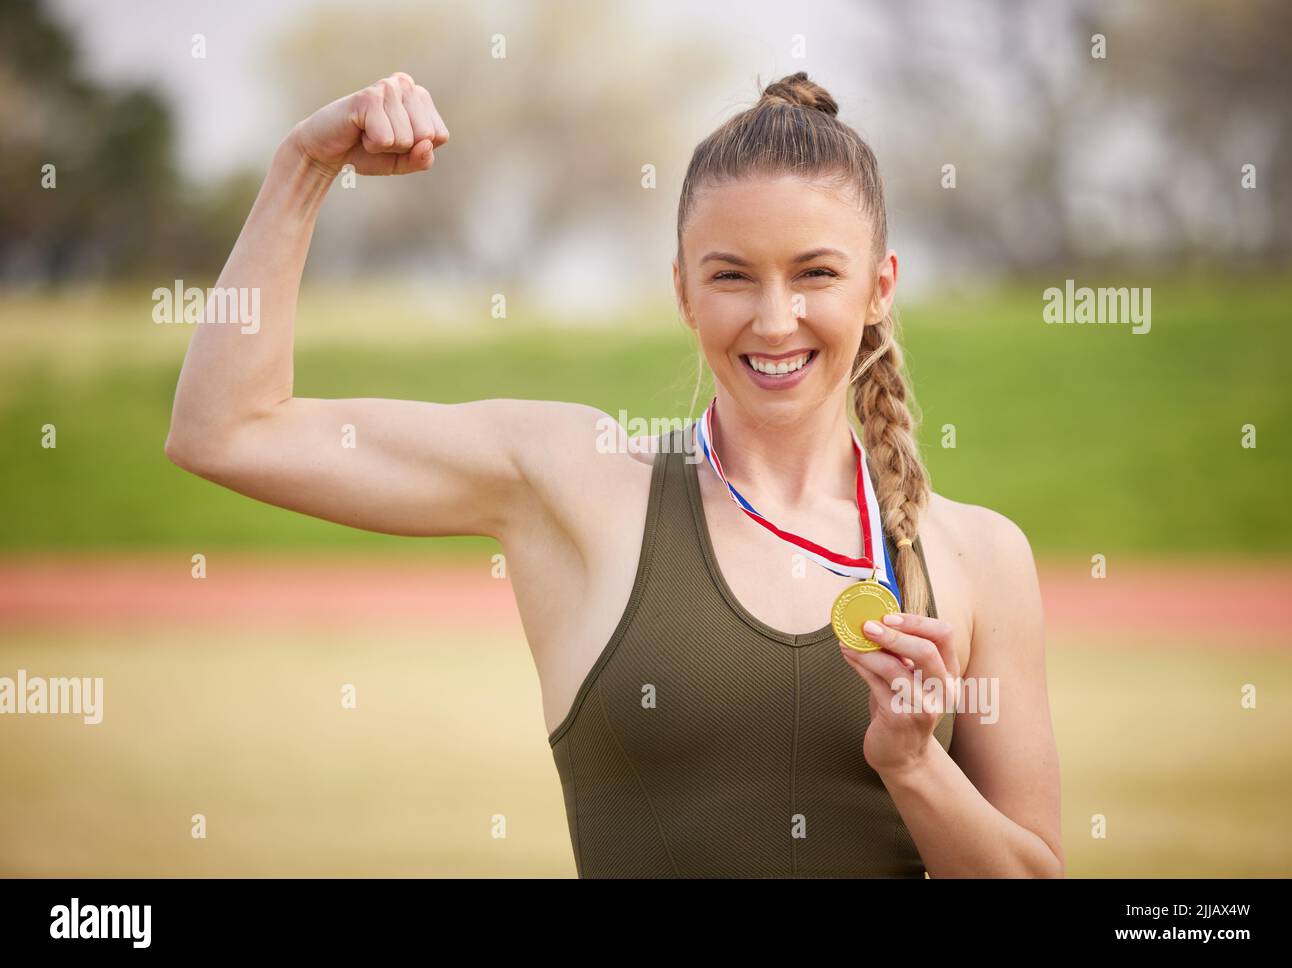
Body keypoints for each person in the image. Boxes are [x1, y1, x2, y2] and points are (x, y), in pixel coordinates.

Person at [165, 70, 1063, 878]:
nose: (776, 318)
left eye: (816, 273)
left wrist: (913, 765)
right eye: (732, 276)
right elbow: (227, 431)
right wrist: (302, 166)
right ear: (683, 291)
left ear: (879, 287)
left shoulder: (978, 556)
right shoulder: (578, 483)